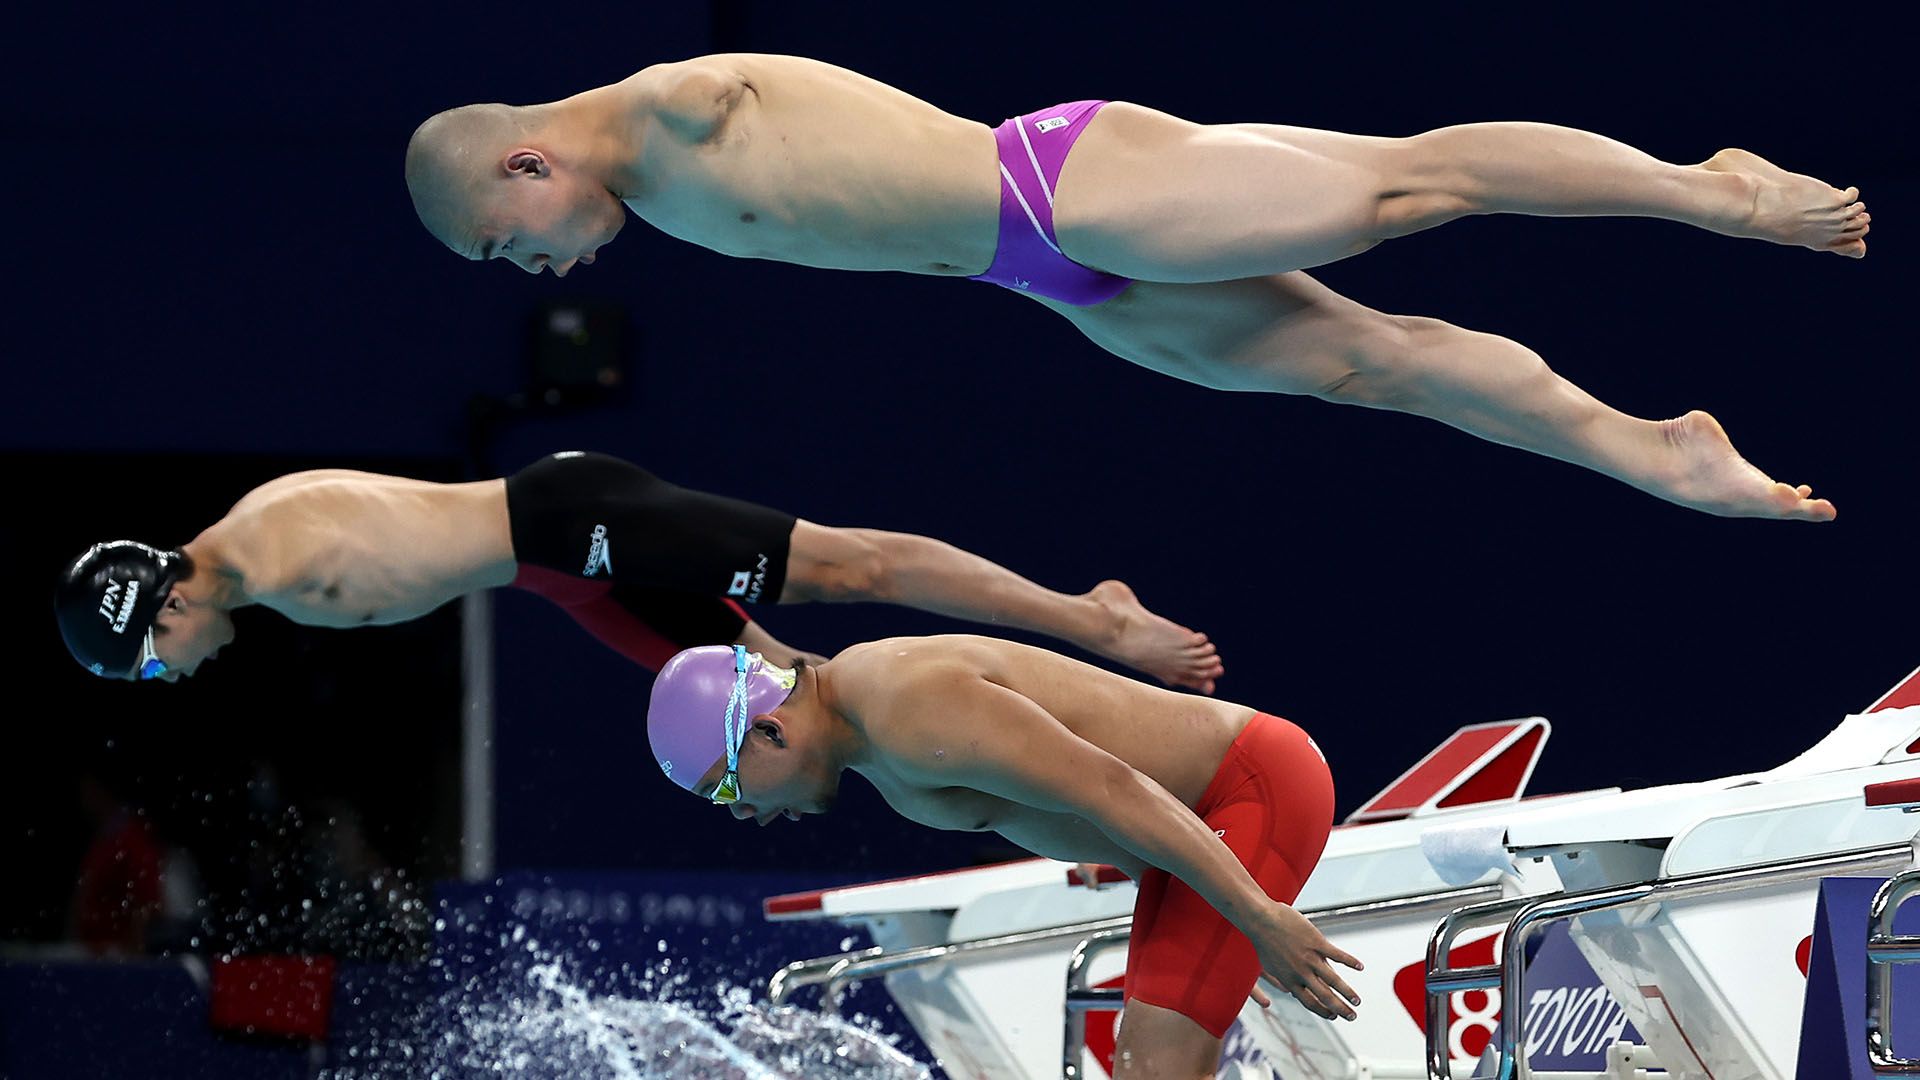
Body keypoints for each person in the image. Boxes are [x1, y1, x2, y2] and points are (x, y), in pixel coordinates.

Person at [406, 54, 1868, 523]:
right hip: (1048, 276)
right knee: (1378, 365)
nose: (533, 270)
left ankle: (1708, 189)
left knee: (1412, 184)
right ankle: (1653, 453)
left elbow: (762, 95)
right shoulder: (650, 186)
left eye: (508, 240)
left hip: (1066, 186)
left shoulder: (674, 110)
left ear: (530, 164)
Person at [646, 637, 1355, 1077]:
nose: (743, 814)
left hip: (1248, 786)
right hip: (1192, 840)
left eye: (726, 788)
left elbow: (1111, 785)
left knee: (1152, 1067)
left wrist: (1256, 916)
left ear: (768, 730)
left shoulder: (907, 708)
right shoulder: (867, 736)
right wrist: (1205, 918)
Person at [52, 451, 1220, 690]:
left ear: (170, 599)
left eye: (150, 661)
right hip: (557, 575)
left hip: (571, 523)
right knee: (794, 696)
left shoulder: (277, 543)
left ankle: (1093, 619)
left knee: (845, 568)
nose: (172, 675)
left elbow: (432, 528)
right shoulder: (252, 566)